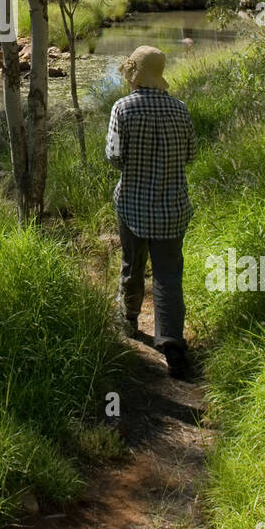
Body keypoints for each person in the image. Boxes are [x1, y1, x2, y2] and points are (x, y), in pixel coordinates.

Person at [105, 45, 197, 378]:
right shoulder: (180, 109)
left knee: (132, 265)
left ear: (134, 75)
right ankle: (171, 342)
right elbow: (190, 155)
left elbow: (115, 157)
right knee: (168, 274)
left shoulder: (122, 108)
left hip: (132, 204)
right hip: (172, 209)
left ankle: (128, 321)